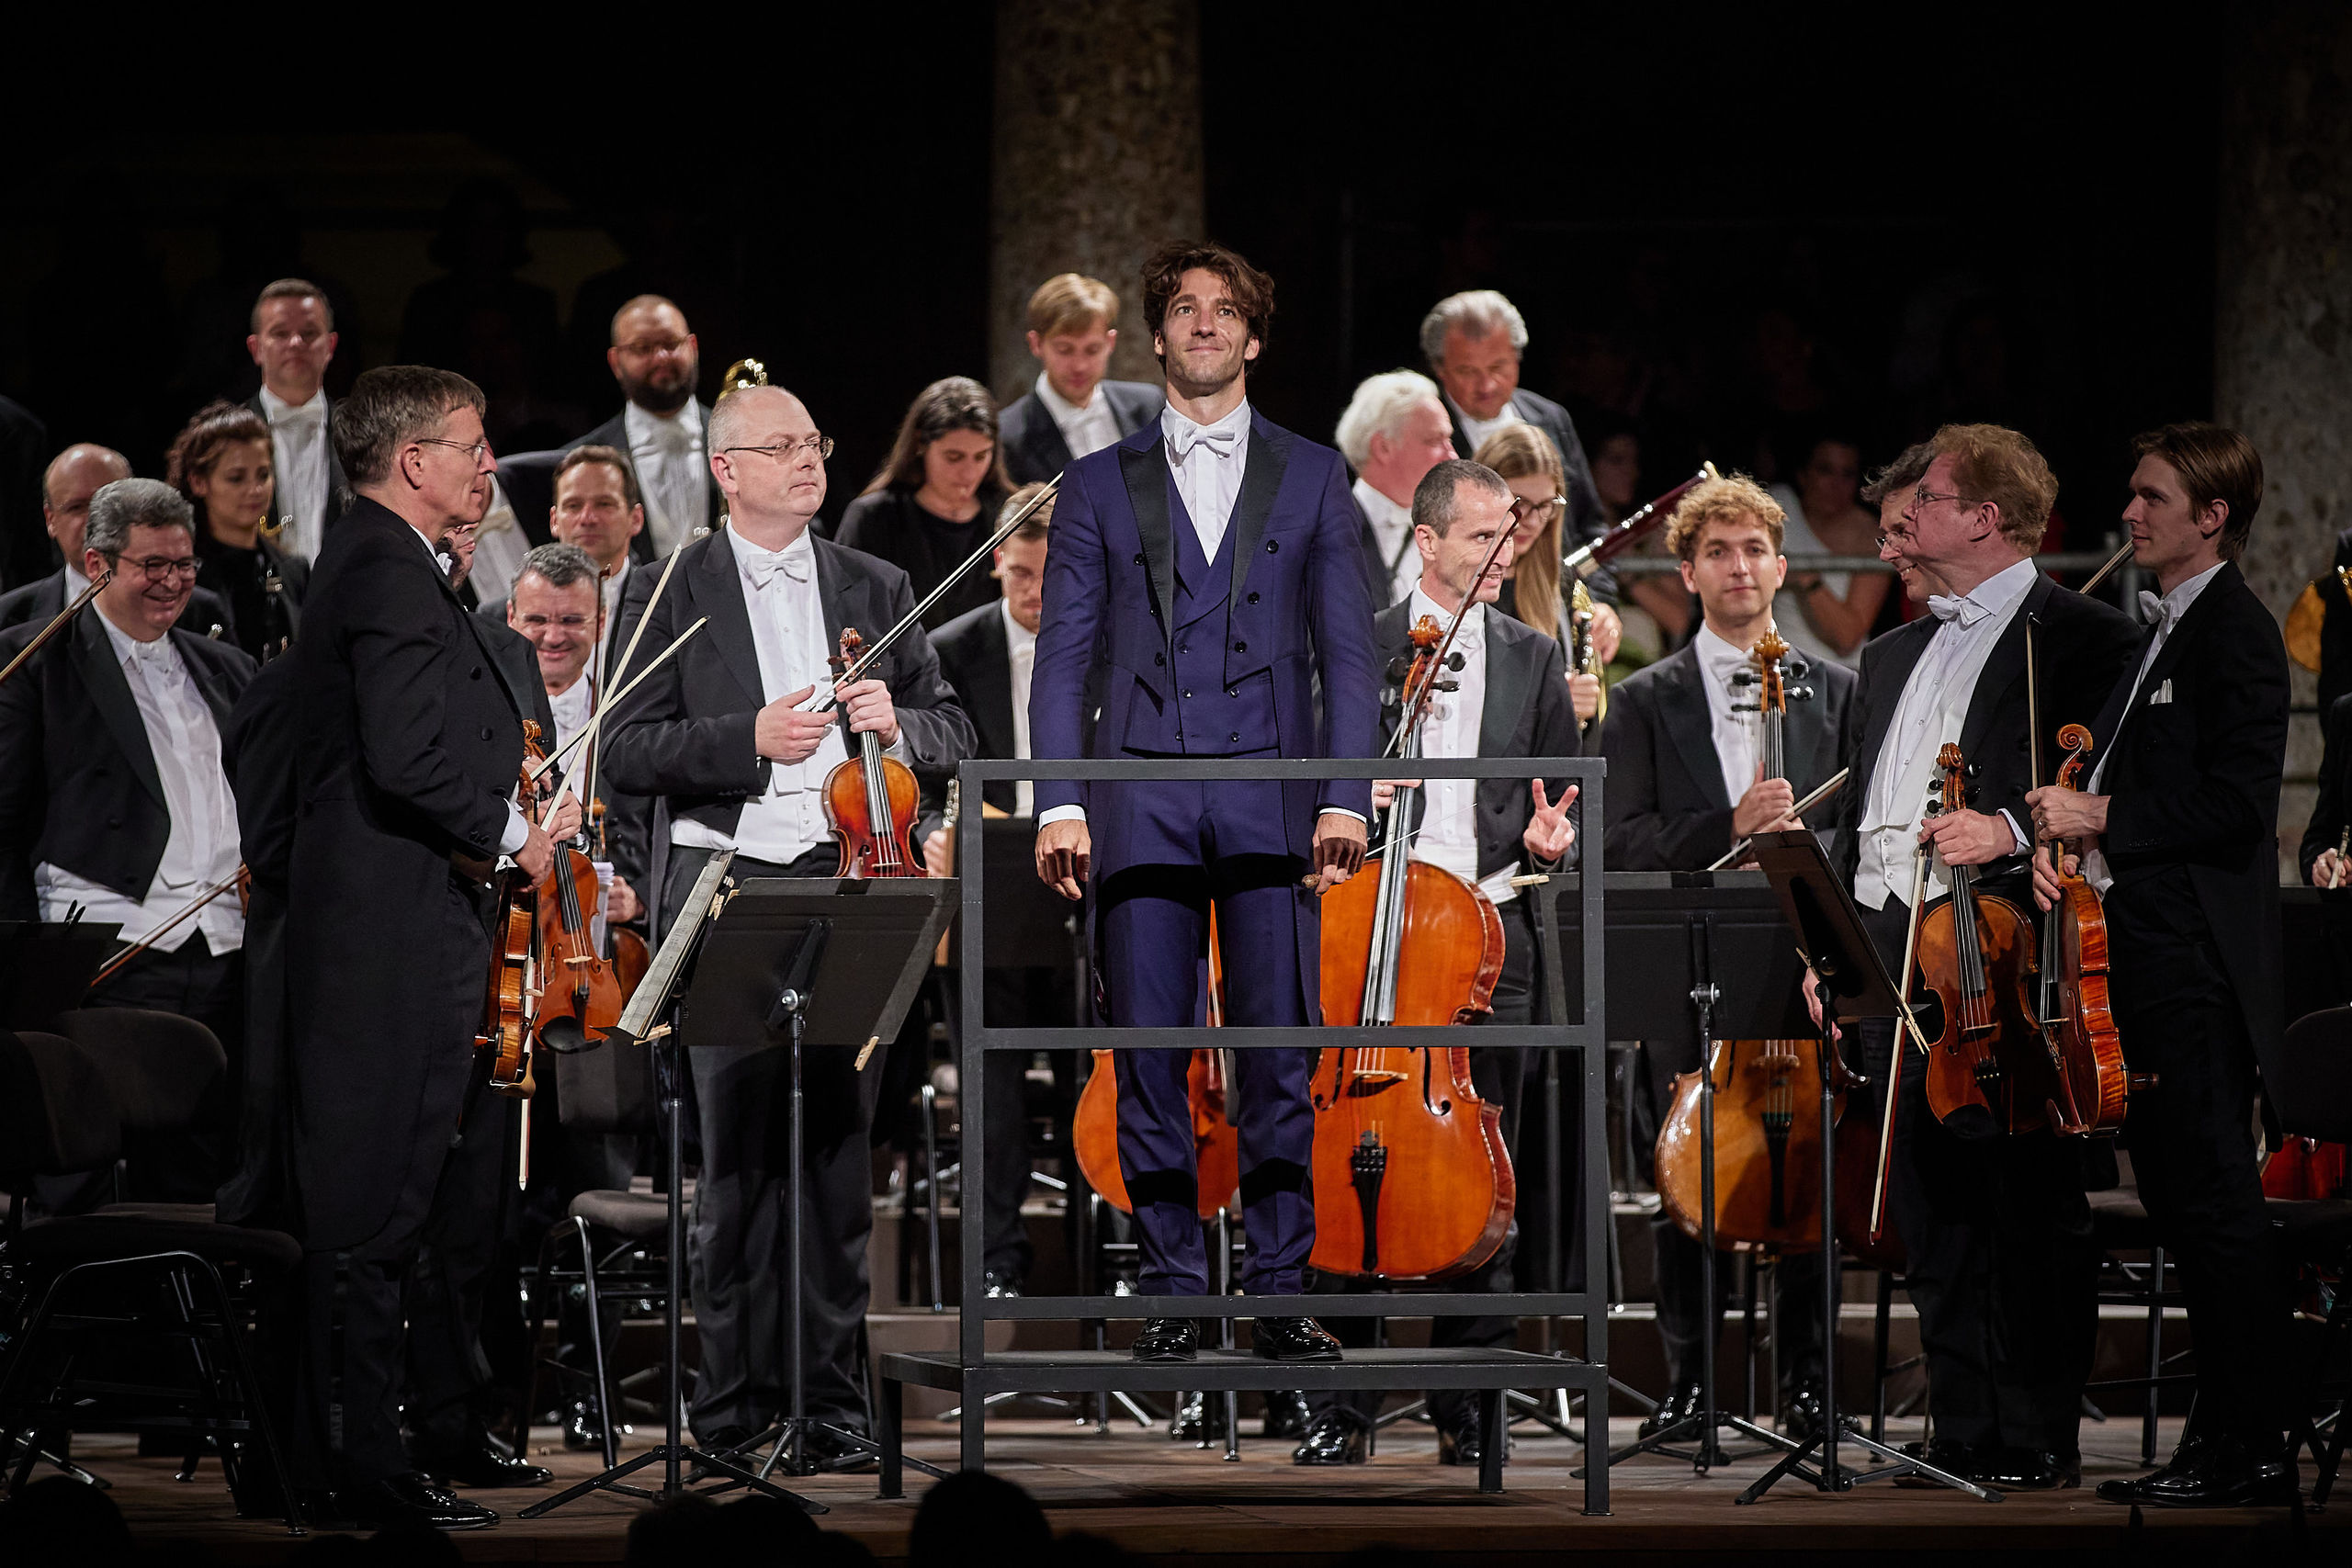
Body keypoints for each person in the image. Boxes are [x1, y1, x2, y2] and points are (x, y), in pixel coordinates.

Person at [603, 380, 975, 1464]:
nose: (808, 461)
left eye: (814, 442)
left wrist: (895, 723)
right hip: (724, 888)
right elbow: (625, 750)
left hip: (848, 879)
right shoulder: (676, 583)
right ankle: (730, 1412)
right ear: (727, 469)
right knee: (736, 1169)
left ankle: (831, 1407)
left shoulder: (876, 580)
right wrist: (744, 737)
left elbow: (953, 727)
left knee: (832, 1162)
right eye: (780, 447)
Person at [1029, 240, 1378, 1366]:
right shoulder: (1093, 482)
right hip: (1139, 789)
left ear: (1253, 336)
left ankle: (1280, 1283)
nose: (1205, 326)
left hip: (1275, 789)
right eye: (1184, 310)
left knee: (1280, 1053)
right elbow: (1062, 658)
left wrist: (1345, 797)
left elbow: (1350, 656)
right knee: (1149, 1049)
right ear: (1160, 334)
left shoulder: (1316, 474)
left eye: (1224, 311)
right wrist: (1057, 804)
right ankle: (1173, 1283)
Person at [266, 365, 580, 1529]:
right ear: (413, 461)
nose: (487, 462)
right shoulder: (388, 571)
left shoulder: (382, 564)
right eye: (471, 443)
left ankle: (335, 1465)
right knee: (371, 1214)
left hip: (386, 934)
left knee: (376, 1209)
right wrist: (516, 837)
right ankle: (361, 1474)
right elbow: (404, 757)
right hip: (385, 946)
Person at [1814, 423, 2139, 1494]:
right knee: (1928, 1206)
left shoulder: (2084, 637)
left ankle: (2037, 1427)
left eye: (1929, 501)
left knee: (2025, 1201)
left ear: (1984, 517)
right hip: (1889, 950)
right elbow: (1863, 813)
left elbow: (2114, 796)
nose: (1904, 522)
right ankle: (1960, 1425)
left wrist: (2004, 828)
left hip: (1998, 957)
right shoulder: (1890, 649)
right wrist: (1833, 952)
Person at [1291, 459, 1581, 1469]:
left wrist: (1553, 843)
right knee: (1342, 1156)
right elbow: (1292, 782)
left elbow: (1562, 801)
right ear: (1426, 540)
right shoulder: (1355, 646)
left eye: (1513, 537)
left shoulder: (1533, 656)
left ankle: (1470, 1400)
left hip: (1487, 940)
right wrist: (1347, 793)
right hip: (1362, 933)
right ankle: (1340, 1401)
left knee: (1480, 1171)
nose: (1505, 555)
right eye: (1482, 538)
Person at [2027, 423, 2297, 1507]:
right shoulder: (2158, 634)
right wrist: (2075, 847)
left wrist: (2103, 813)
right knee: (2187, 1209)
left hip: (2194, 969)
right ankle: (2216, 1442)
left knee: (2214, 1206)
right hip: (2140, 960)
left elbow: (2238, 808)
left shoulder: (2235, 633)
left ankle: (2252, 1445)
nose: (2129, 513)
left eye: (2149, 497)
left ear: (2211, 515)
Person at [1596, 473, 1857, 1443]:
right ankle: (1692, 1385)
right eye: (1718, 552)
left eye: (1754, 550)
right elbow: (1619, 839)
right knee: (1685, 1181)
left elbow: (1868, 827)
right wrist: (1725, 825)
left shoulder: (1838, 690)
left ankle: (1807, 1388)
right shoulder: (1644, 700)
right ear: (1688, 571)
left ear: (1781, 568)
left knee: (1807, 1182)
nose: (1738, 567)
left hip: (1804, 965)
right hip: (1691, 962)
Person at [0, 479, 254, 1206]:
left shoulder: (227, 668)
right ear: (98, 564)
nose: (173, 582)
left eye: (185, 564)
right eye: (153, 565)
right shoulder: (37, 664)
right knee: (82, 1165)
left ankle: (183, 1313)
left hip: (223, 955)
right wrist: (28, 967)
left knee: (197, 1168)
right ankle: (77, 1316)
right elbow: (5, 826)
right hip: (112, 953)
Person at [918, 484, 1075, 1297]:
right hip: (983, 889)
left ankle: (1111, 1261)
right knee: (991, 1088)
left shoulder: (1109, 645)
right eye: (1019, 574)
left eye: (1051, 576)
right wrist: (925, 838)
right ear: (995, 566)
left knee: (1105, 1078)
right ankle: (997, 1265)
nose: (1035, 593)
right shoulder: (948, 648)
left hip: (1087, 890)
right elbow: (907, 778)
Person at [503, 295, 717, 564]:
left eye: (671, 344)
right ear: (616, 362)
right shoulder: (576, 464)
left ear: (693, 346)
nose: (661, 357)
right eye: (643, 348)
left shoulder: (740, 440)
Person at [1419, 290, 1609, 573]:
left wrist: (1598, 601)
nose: (1486, 385)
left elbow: (1587, 527)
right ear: (1439, 368)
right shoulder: (1422, 433)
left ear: (1517, 357)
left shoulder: (1550, 418)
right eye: (1468, 371)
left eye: (1498, 367)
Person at [0, 444, 237, 638]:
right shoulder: (9, 619)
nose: (94, 518)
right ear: (50, 519)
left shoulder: (200, 612)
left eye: (110, 505)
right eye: (76, 507)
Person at [835, 377, 1016, 631]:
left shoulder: (1011, 516)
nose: (968, 473)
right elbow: (846, 614)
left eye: (981, 456)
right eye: (954, 457)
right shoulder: (873, 518)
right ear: (920, 444)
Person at [1475, 424, 1610, 725]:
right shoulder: (1455, 583)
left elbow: (1581, 715)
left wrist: (1581, 707)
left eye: (1546, 506)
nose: (1532, 521)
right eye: (1519, 503)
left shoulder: (1561, 582)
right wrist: (1553, 702)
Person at [169, 400, 309, 663]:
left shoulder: (294, 571)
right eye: (236, 478)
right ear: (198, 482)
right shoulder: (180, 577)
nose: (255, 490)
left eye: (263, 475)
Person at [996, 272, 1165, 485]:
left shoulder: (1149, 404)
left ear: (1110, 342)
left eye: (1092, 350)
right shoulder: (1009, 436)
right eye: (1065, 350)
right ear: (1036, 344)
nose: (1079, 366)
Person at [1333, 369, 1457, 609]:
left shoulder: (1450, 535)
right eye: (1434, 441)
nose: (1452, 456)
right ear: (1383, 448)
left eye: (1449, 440)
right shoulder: (1323, 533)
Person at [244, 278, 347, 562]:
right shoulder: (226, 438)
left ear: (330, 345)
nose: (295, 343)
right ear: (256, 348)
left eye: (309, 333)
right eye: (280, 333)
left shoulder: (363, 435)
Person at [1770, 435, 1889, 667]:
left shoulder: (1870, 534)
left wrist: (1805, 578)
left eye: (1847, 474)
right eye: (1825, 470)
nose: (1836, 484)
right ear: (1802, 475)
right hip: (1776, 670)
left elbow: (1846, 639)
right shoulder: (1777, 509)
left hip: (1841, 677)